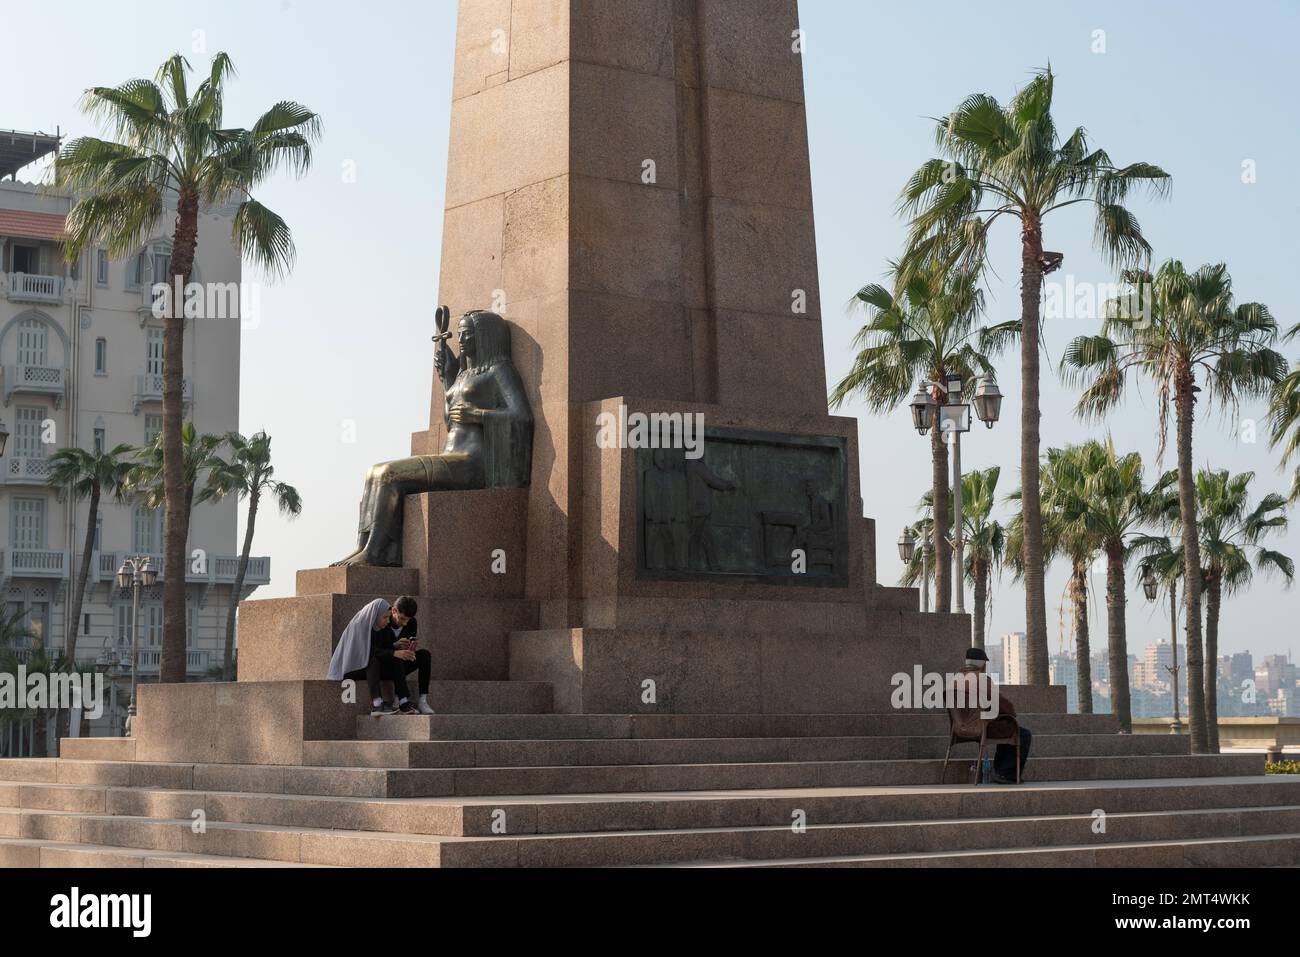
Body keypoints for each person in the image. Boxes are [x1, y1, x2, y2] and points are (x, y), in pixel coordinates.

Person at [327, 596, 435, 715]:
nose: (388, 621)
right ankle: (377, 703)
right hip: (356, 667)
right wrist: (394, 650)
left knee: (419, 655)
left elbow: (384, 647)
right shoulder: (361, 624)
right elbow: (366, 651)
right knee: (375, 659)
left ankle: (404, 701)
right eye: (385, 617)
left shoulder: (381, 624)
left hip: (384, 665)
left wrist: (400, 649)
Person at [958, 647, 1031, 784]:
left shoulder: (955, 680)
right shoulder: (982, 680)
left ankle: (1001, 771)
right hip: (981, 727)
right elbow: (1001, 703)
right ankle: (1005, 773)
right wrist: (1010, 712)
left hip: (960, 728)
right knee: (1021, 733)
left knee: (1004, 726)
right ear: (982, 664)